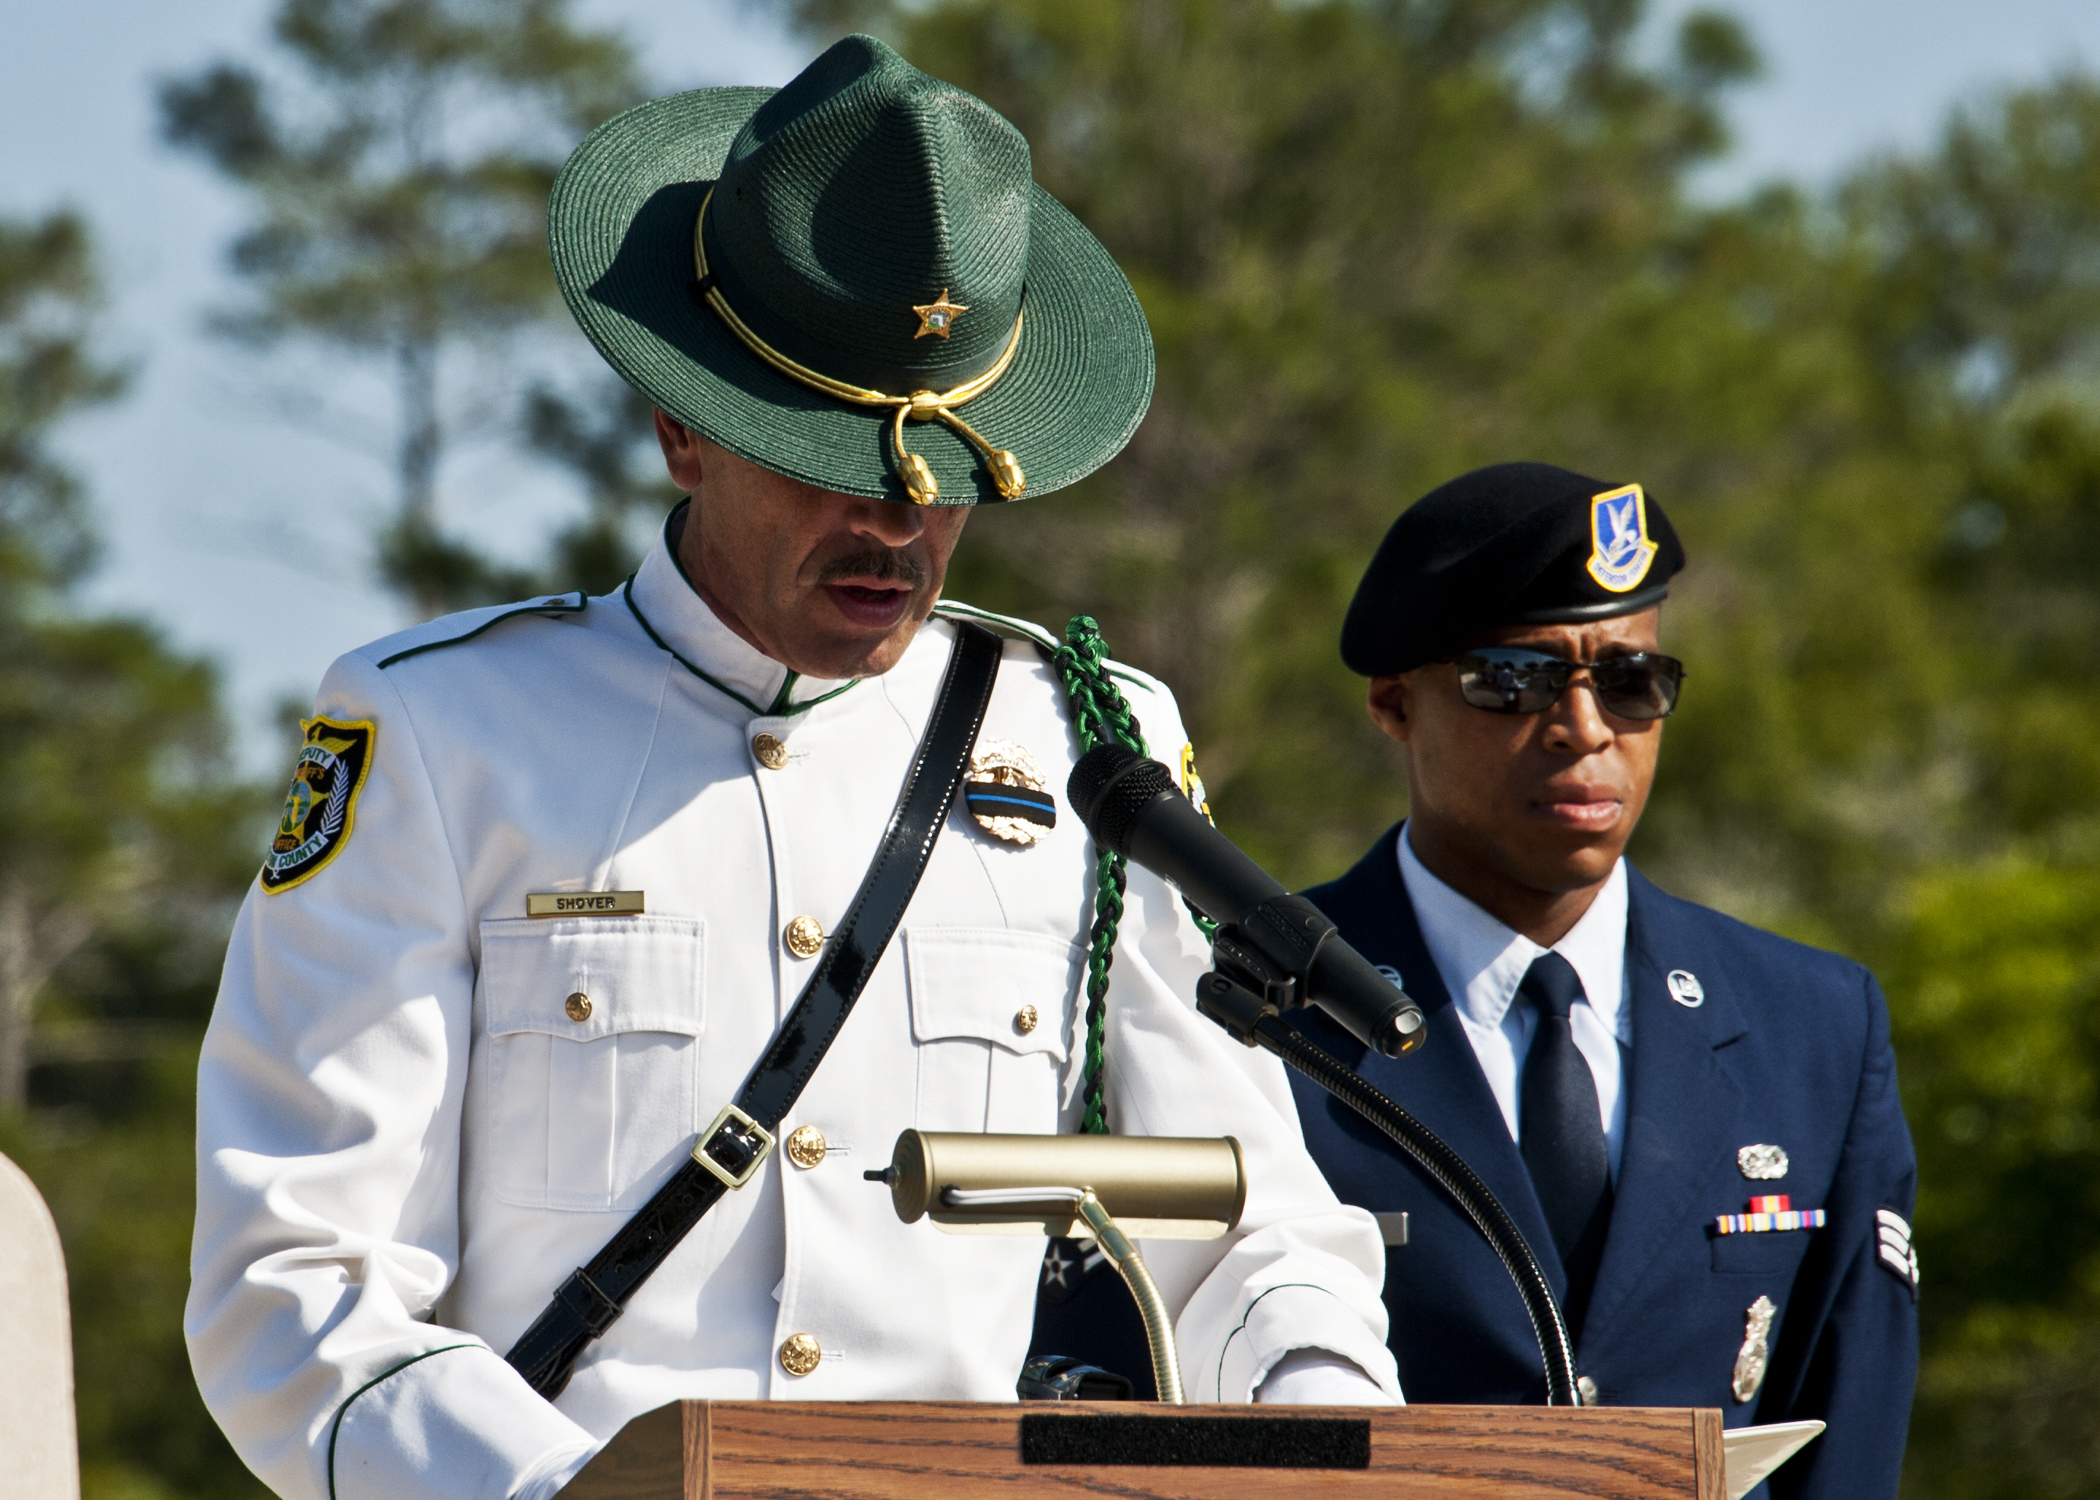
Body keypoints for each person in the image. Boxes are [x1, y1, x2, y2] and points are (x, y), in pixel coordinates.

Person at [185, 36, 1401, 1500]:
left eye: (946, 478)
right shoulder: (445, 736)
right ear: (681, 429)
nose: (896, 528)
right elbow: (297, 1284)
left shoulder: (1091, 743)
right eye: (831, 462)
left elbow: (1242, 1219)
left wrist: (1340, 1437)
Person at [1290, 463, 1918, 1498]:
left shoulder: (1812, 1023)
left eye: (1631, 683)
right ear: (1395, 703)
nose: (1585, 730)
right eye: (1513, 680)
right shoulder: (1256, 1009)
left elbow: (1846, 1429)